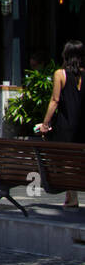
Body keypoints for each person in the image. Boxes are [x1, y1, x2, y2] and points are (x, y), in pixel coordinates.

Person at [36, 39, 84, 209]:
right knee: (78, 161)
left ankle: (72, 197)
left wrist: (45, 123)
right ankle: (71, 197)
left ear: (65, 55)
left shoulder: (60, 74)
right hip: (82, 125)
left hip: (66, 124)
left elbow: (55, 100)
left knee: (66, 161)